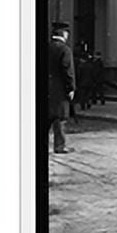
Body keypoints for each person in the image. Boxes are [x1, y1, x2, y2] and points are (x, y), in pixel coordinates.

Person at [48, 22, 76, 154]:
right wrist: (71, 88)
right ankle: (59, 146)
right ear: (64, 34)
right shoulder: (64, 50)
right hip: (59, 90)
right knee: (59, 118)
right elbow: (67, 70)